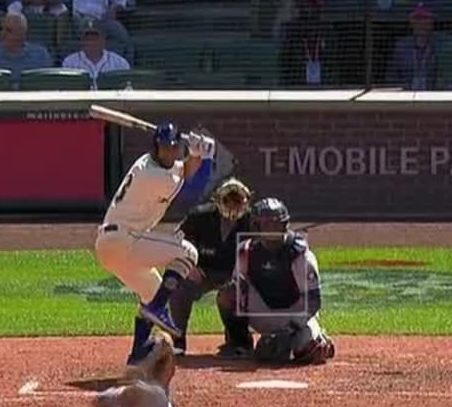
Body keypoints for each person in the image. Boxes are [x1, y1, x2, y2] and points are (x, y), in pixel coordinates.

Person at [94, 122, 215, 365]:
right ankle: (157, 308)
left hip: (113, 245)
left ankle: (137, 354)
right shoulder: (153, 175)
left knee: (152, 292)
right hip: (123, 239)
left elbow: (184, 170)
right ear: (156, 147)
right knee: (188, 253)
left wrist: (196, 153)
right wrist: (204, 156)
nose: (168, 152)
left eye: (172, 147)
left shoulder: (150, 164)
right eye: (163, 147)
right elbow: (192, 186)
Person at [218, 198, 336, 365]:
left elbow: (313, 301)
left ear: (285, 225)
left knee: (309, 351)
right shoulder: (246, 251)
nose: (271, 229)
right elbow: (238, 288)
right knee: (228, 293)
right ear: (256, 226)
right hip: (262, 311)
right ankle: (240, 344)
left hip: (295, 316)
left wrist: (289, 330)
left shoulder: (299, 254)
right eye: (266, 224)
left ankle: (320, 341)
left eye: (275, 224)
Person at [169, 178, 254, 357]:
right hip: (203, 271)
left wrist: (243, 276)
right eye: (228, 200)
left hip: (236, 274)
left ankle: (239, 342)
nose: (233, 205)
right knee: (178, 285)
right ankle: (177, 340)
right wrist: (189, 265)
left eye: (237, 200)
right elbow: (176, 242)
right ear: (218, 200)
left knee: (231, 293)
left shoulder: (253, 222)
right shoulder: (199, 216)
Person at [386, 4, 447, 90]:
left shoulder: (443, 44)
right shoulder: (401, 47)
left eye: (425, 18)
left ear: (432, 21)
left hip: (434, 94)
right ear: (411, 22)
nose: (421, 23)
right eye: (417, 19)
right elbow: (391, 78)